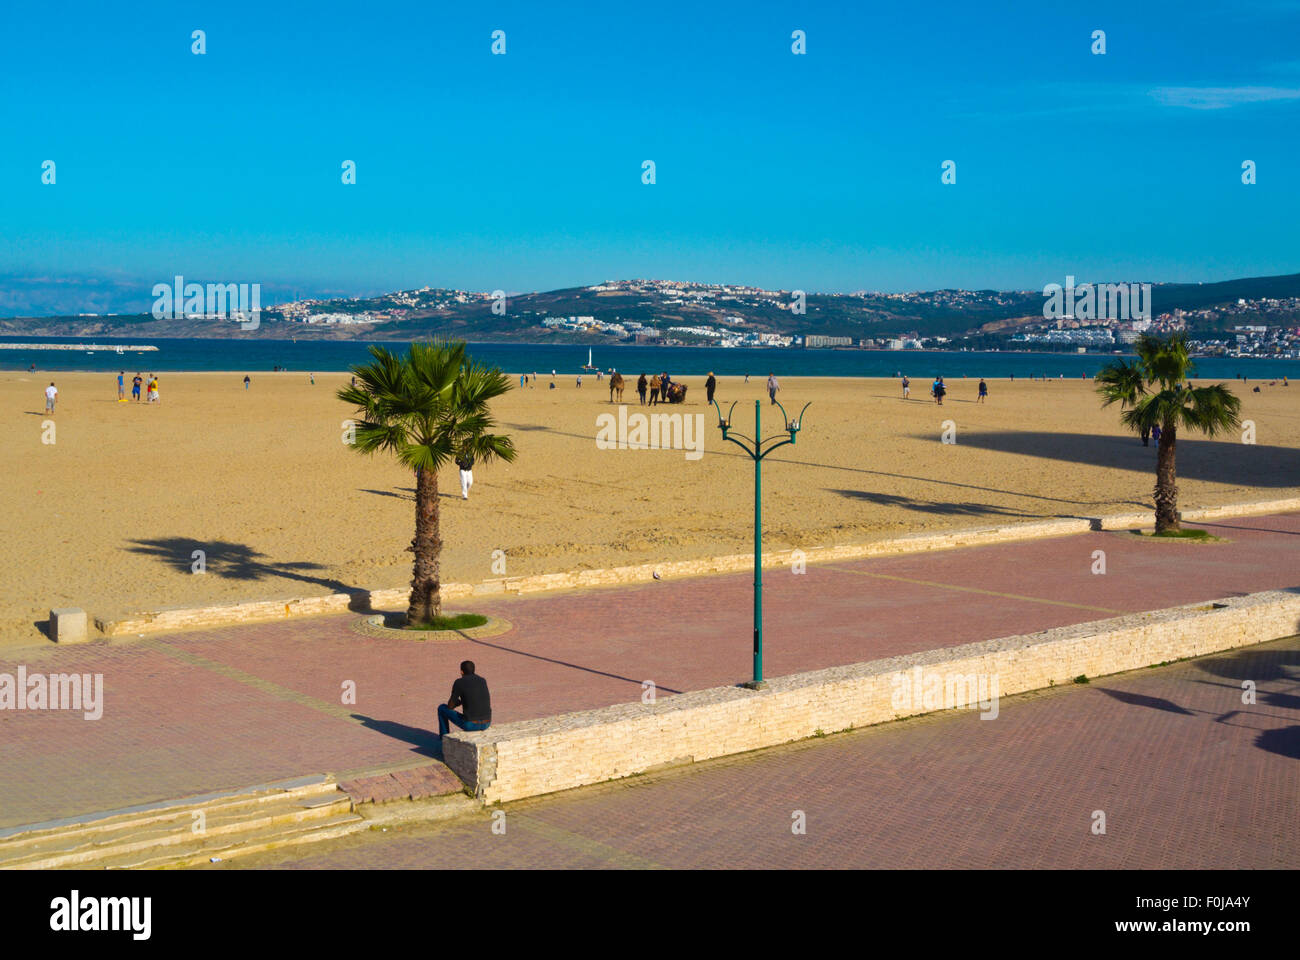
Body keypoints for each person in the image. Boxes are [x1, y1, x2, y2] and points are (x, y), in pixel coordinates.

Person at [437, 661, 492, 738]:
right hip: (487, 722)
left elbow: (450, 706)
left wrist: (459, 702)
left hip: (470, 725)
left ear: (461, 671)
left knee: (442, 708)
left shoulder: (459, 682)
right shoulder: (482, 680)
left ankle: (443, 739)